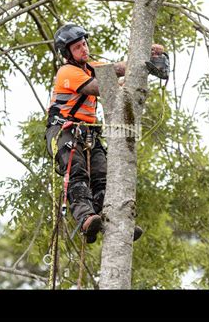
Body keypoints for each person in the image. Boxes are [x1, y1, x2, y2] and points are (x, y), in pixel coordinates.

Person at [45, 23, 166, 244]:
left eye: (84, 44)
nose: (84, 49)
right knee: (77, 174)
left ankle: (117, 223)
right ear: (67, 53)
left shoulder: (90, 67)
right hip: (64, 131)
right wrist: (128, 81)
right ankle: (86, 219)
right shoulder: (67, 72)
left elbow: (119, 68)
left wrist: (147, 57)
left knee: (103, 179)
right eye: (77, 47)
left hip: (89, 133)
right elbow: (103, 88)